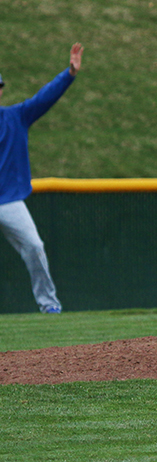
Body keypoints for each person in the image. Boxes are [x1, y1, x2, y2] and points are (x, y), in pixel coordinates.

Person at [0, 43, 84, 314]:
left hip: (9, 200)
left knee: (34, 246)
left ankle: (49, 304)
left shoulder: (15, 117)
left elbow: (43, 98)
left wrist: (69, 74)